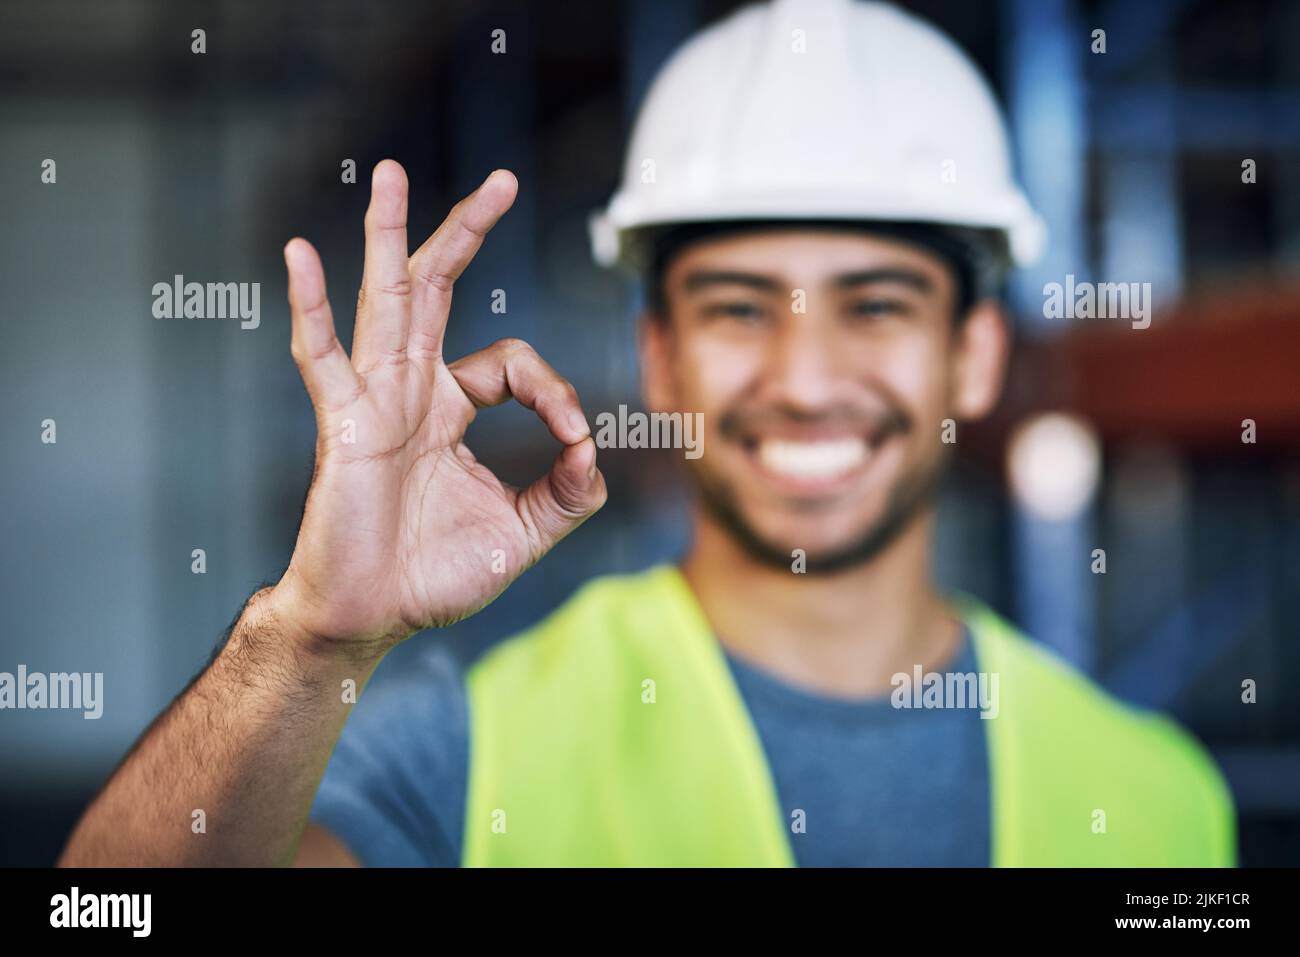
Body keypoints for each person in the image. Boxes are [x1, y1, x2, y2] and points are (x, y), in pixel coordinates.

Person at [59, 0, 1234, 867]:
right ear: (659, 357)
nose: (807, 377)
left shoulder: (1159, 796)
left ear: (972, 354)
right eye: (736, 309)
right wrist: (308, 644)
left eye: (876, 304)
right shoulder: (464, 755)